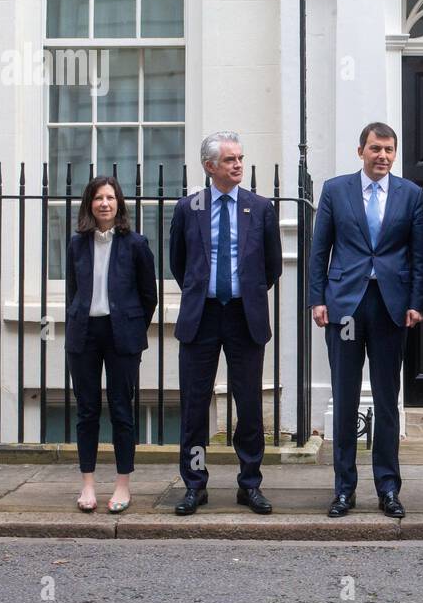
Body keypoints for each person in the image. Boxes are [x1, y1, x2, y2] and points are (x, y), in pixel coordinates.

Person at [309, 122, 423, 518]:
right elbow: (319, 247)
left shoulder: (409, 194)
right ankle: (344, 489)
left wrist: (416, 302)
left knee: (386, 399)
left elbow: (418, 255)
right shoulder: (335, 190)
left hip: (390, 305)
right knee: (344, 399)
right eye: (375, 148)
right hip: (345, 304)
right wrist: (317, 299)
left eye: (389, 150)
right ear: (360, 150)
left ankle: (388, 488)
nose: (383, 156)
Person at [169, 131, 283, 516]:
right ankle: (195, 485)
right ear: (209, 166)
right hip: (201, 316)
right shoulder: (190, 207)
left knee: (249, 404)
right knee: (195, 406)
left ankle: (249, 484)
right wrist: (204, 289)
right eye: (230, 160)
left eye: (240, 158)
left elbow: (272, 266)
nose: (238, 165)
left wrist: (244, 291)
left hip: (243, 314)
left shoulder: (259, 207)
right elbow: (178, 263)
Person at [64, 175, 157, 514]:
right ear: (89, 203)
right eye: (98, 197)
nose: (105, 203)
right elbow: (72, 293)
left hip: (122, 335)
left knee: (121, 409)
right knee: (86, 410)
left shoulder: (136, 244)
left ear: (119, 203)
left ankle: (122, 484)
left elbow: (149, 296)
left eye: (110, 197)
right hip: (84, 333)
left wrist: (132, 327)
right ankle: (87, 484)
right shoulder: (77, 244)